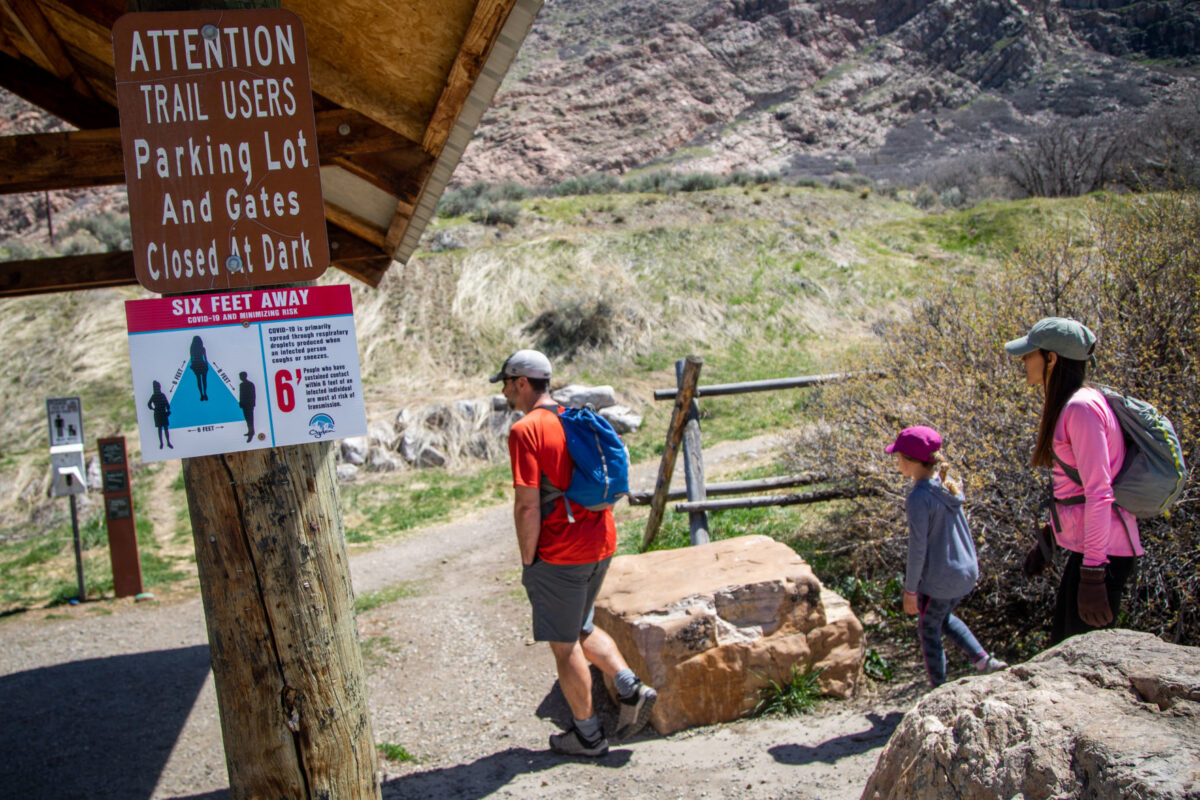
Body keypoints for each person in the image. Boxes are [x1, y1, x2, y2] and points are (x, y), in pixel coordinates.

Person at [491, 349, 656, 756]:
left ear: (522, 383)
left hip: (560, 554)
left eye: (507, 383)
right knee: (580, 626)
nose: (505, 392)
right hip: (600, 543)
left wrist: (530, 560)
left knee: (563, 646)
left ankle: (587, 737)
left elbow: (527, 505)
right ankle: (630, 689)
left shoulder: (526, 430)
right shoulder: (577, 417)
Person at [1005, 317, 1141, 643]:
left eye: (1030, 354)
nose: (1024, 362)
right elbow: (1076, 488)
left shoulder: (1081, 409)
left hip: (1103, 557)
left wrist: (1093, 575)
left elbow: (1098, 493)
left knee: (1079, 659)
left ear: (1051, 359)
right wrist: (1051, 537)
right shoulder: (1075, 405)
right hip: (1092, 552)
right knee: (1062, 648)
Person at [887, 425, 1007, 688]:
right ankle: (984, 661)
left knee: (929, 630)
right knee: (942, 617)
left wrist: (910, 590)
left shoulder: (919, 497)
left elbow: (918, 549)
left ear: (911, 462)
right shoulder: (946, 485)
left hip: (940, 578)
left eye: (898, 457)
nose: (896, 462)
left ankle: (938, 691)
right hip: (965, 572)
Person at [147, 380, 172, 449]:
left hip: (163, 413)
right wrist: (153, 408)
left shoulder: (162, 395)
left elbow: (167, 404)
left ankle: (168, 442)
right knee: (160, 429)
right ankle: (161, 443)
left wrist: (167, 408)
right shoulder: (154, 396)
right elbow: (149, 404)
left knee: (165, 428)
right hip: (158, 413)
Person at [189, 335, 209, 401]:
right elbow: (205, 358)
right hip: (202, 364)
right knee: (204, 380)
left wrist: (192, 365)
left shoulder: (192, 348)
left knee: (199, 380)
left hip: (196, 365)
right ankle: (205, 393)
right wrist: (206, 365)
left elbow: (192, 358)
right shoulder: (202, 348)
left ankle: (201, 394)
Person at [238, 372, 256, 442]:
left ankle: (251, 432)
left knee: (250, 419)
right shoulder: (241, 385)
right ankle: (250, 431)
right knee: (247, 419)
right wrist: (241, 402)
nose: (240, 377)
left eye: (241, 376)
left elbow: (253, 395)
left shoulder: (250, 384)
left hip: (249, 404)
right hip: (244, 404)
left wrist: (252, 404)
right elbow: (241, 395)